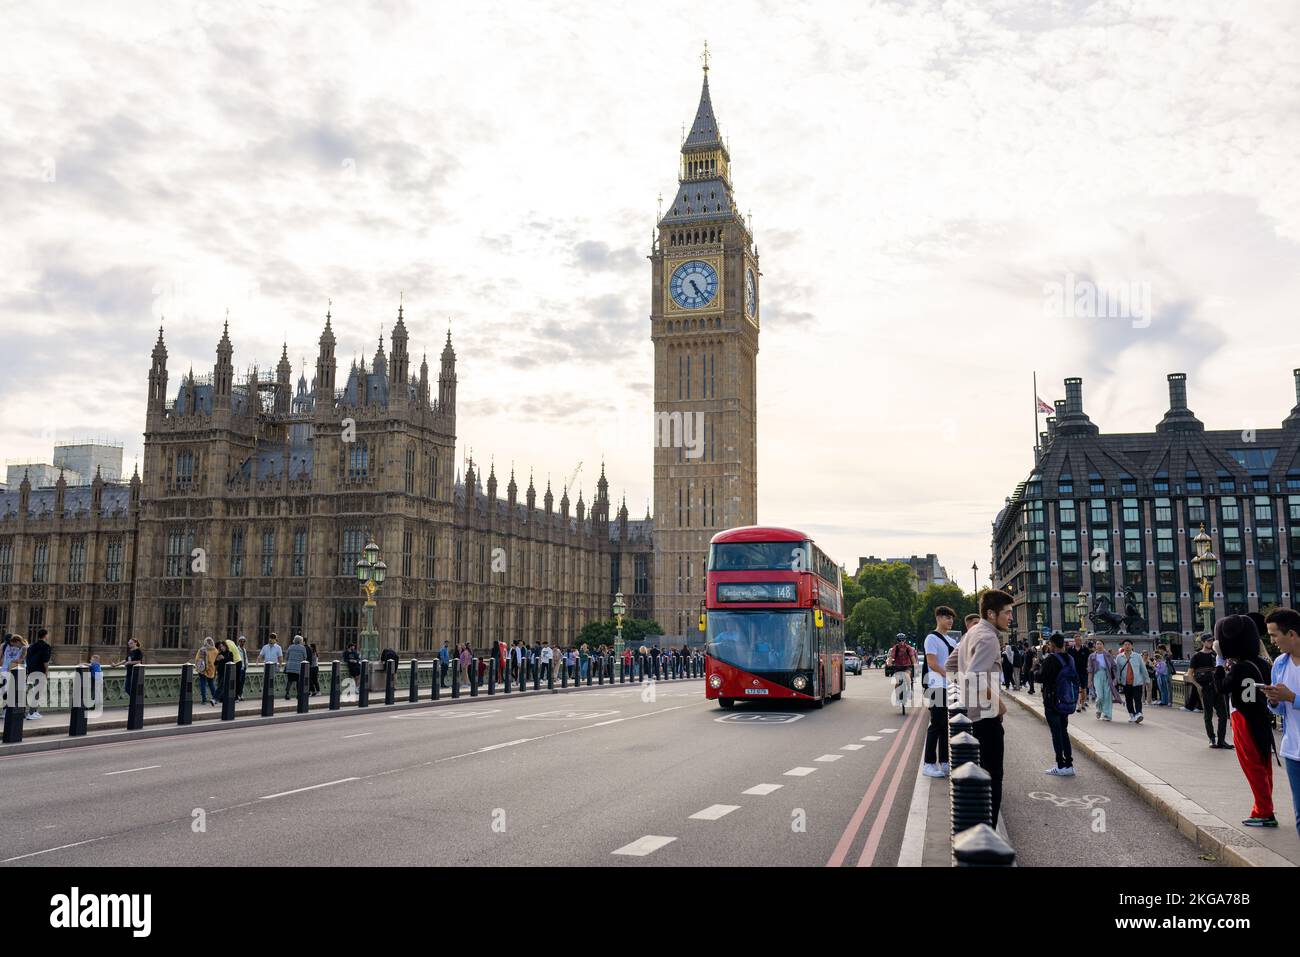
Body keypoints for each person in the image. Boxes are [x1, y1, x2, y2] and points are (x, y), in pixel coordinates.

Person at [1213, 614, 1278, 827]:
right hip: (1260, 716)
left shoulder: (1240, 667)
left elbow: (1221, 687)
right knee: (1263, 763)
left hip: (1243, 717)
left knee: (1252, 765)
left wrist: (1220, 663)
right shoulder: (1262, 663)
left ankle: (1264, 811)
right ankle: (1264, 806)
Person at [954, 590, 1012, 827]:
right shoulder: (989, 637)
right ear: (991, 613)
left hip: (971, 716)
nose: (1011, 617)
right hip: (987, 720)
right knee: (993, 778)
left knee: (979, 779)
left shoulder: (971, 633)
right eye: (1007, 613)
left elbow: (951, 665)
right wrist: (998, 705)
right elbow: (973, 677)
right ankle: (988, 836)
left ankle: (978, 832)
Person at [1262, 608, 1300, 837]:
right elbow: (1278, 709)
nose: (1272, 640)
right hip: (1293, 751)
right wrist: (1273, 700)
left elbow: (1290, 699)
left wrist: (1292, 698)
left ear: (1292, 634)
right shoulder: (1279, 664)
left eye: (1275, 635)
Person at [921, 606, 957, 778]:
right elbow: (932, 663)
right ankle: (928, 763)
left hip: (948, 686)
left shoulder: (952, 641)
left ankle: (944, 762)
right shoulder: (931, 638)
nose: (950, 620)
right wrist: (951, 676)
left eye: (951, 618)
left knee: (945, 726)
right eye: (946, 617)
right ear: (938, 618)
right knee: (936, 724)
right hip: (936, 686)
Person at [1038, 632, 1078, 776]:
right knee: (1064, 732)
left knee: (1056, 734)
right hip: (1066, 700)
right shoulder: (1070, 659)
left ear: (1052, 645)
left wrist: (1037, 667)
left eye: (1049, 644)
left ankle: (1060, 766)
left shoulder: (1051, 659)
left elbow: (1040, 677)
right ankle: (1069, 764)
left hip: (1053, 701)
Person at [1188, 636, 1230, 748]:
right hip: (1205, 688)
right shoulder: (1196, 656)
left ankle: (1221, 740)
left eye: (1212, 641)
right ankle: (1212, 738)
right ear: (1203, 642)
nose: (1210, 643)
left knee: (1223, 715)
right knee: (1208, 715)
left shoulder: (1216, 655)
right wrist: (1198, 686)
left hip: (1218, 687)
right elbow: (1190, 674)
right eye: (1208, 641)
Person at [1113, 640, 1147, 723]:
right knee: (1128, 699)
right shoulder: (1119, 657)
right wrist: (1116, 680)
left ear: (1132, 646)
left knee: (1137, 699)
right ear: (1123, 647)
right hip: (1126, 682)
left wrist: (1146, 679)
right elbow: (1117, 670)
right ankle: (1132, 714)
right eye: (1125, 645)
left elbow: (1143, 668)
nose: (1127, 646)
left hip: (1137, 681)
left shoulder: (1137, 656)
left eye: (1129, 644)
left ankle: (1139, 713)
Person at [23, 628, 52, 720]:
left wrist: (28, 670)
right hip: (40, 671)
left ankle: (31, 712)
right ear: (45, 635)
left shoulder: (31, 646)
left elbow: (27, 660)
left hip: (31, 671)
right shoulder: (46, 646)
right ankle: (31, 713)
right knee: (37, 692)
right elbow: (45, 661)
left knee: (27, 692)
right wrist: (46, 672)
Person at [1088, 640, 1115, 721]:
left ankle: (1107, 714)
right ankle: (1099, 709)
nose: (1099, 645)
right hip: (1097, 676)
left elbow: (1114, 666)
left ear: (1103, 645)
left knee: (1107, 696)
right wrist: (1089, 681)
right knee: (1100, 696)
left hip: (1107, 676)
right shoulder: (1092, 656)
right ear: (1095, 646)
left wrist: (1115, 678)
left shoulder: (1108, 655)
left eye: (1100, 644)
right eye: (1097, 644)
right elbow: (1090, 669)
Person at [1068, 635, 1090, 713]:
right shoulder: (1070, 649)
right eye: (1076, 640)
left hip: (1083, 671)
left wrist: (1088, 667)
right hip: (1074, 671)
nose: (1078, 641)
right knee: (1076, 688)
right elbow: (1068, 660)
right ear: (1074, 641)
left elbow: (1089, 660)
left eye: (1079, 640)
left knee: (1083, 688)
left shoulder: (1085, 649)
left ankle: (1083, 703)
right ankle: (1078, 704)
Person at [195, 637, 218, 706]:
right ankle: (215, 698)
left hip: (203, 670)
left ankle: (204, 700)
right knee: (211, 684)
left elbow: (197, 659)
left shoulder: (201, 650)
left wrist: (198, 667)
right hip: (211, 670)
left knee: (203, 684)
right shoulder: (215, 651)